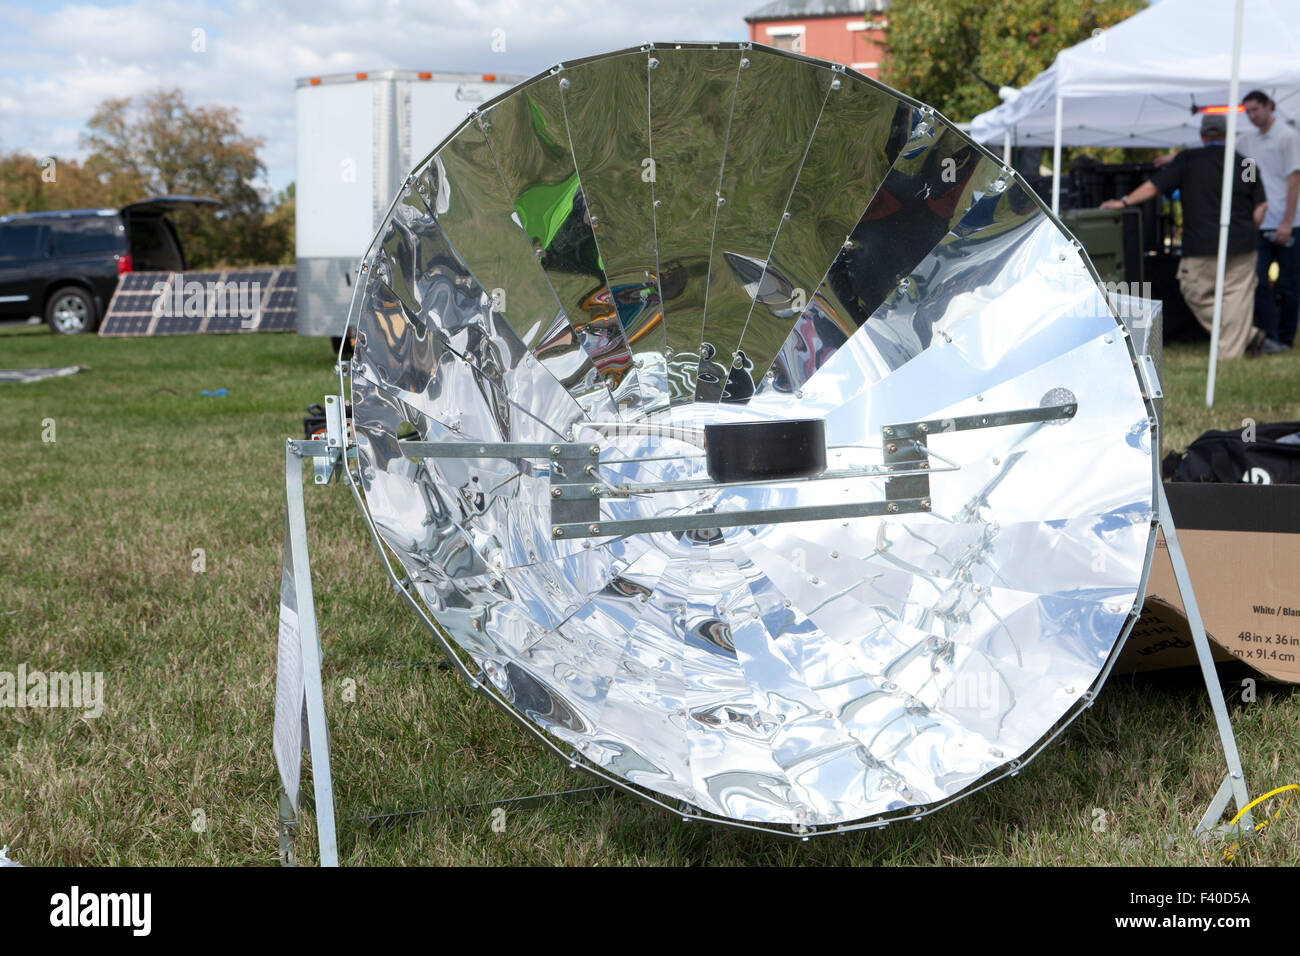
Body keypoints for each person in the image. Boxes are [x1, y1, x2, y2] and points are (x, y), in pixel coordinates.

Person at [1102, 114, 1268, 359]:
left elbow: (1154, 187)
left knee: (1193, 291)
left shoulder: (1188, 160)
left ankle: (1229, 356)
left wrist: (1123, 201)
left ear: (1202, 136)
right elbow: (1261, 206)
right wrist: (1248, 229)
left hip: (1201, 244)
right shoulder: (1247, 164)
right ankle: (1247, 335)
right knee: (1236, 297)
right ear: (1228, 135)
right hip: (1243, 242)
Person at [1238, 90, 1300, 350]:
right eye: (1248, 111)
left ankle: (1285, 337)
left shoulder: (1287, 137)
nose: (1252, 116)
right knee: (1259, 281)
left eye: (1256, 110)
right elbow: (1249, 178)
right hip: (1260, 223)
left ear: (1268, 106)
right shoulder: (1247, 142)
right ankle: (1270, 337)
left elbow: (1294, 179)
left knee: (1288, 284)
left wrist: (1287, 221)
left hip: (1289, 223)